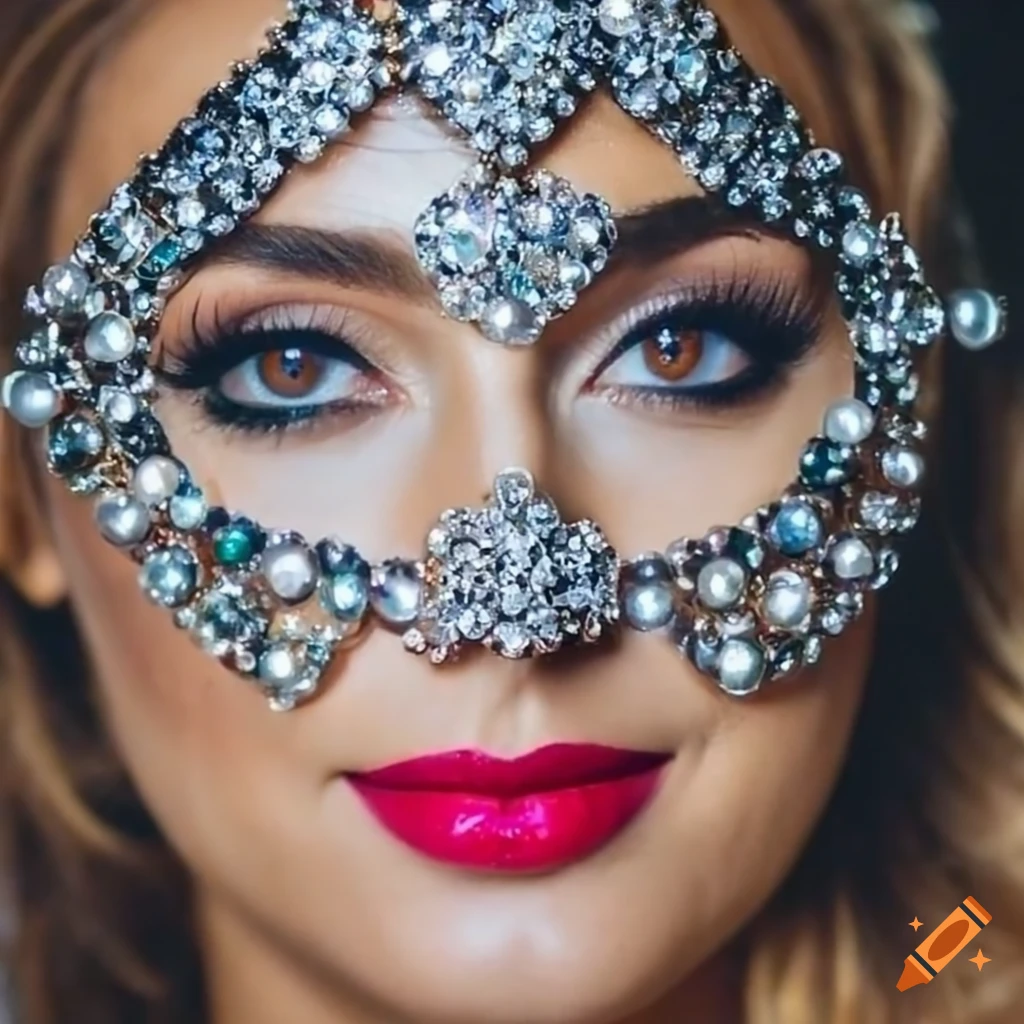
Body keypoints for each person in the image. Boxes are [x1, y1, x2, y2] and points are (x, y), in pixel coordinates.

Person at [0, 0, 1020, 1022]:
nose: (516, 610)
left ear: (906, 404)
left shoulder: (961, 946)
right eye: (289, 368)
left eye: (683, 347)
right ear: (24, 498)